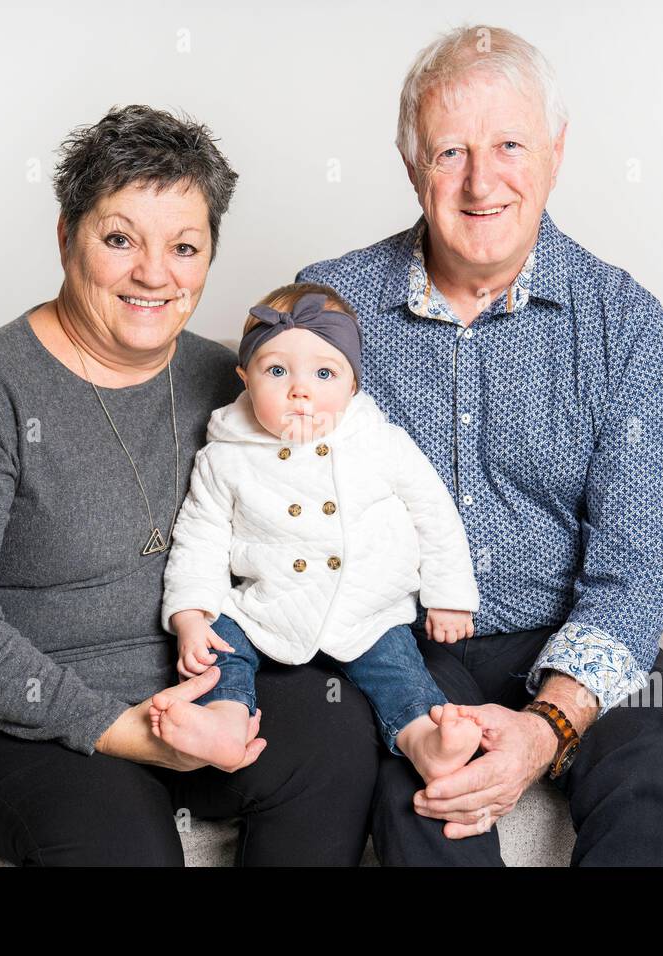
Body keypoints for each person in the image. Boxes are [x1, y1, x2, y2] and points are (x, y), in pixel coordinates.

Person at [0, 104, 379, 866]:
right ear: (65, 237)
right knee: (125, 844)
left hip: (204, 694)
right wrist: (133, 735)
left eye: (184, 247)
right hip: (21, 720)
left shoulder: (230, 380)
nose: (155, 274)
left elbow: (309, 519)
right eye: (120, 240)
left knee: (336, 734)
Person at [295, 24, 663, 865]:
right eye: (450, 151)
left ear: (556, 152)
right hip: (398, 636)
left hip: (564, 628)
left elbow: (636, 573)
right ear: (411, 164)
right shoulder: (331, 308)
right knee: (420, 787)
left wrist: (544, 726)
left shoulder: (626, 329)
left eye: (510, 144)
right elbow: (286, 505)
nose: (481, 181)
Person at [153, 284, 486, 784]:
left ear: (353, 385)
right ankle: (226, 719)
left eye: (324, 373)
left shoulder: (378, 441)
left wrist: (450, 595)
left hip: (366, 606)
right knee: (220, 642)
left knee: (397, 670)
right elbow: (199, 536)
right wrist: (189, 615)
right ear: (245, 378)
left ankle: (424, 738)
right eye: (277, 371)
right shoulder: (225, 455)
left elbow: (433, 511)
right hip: (270, 605)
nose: (299, 390)